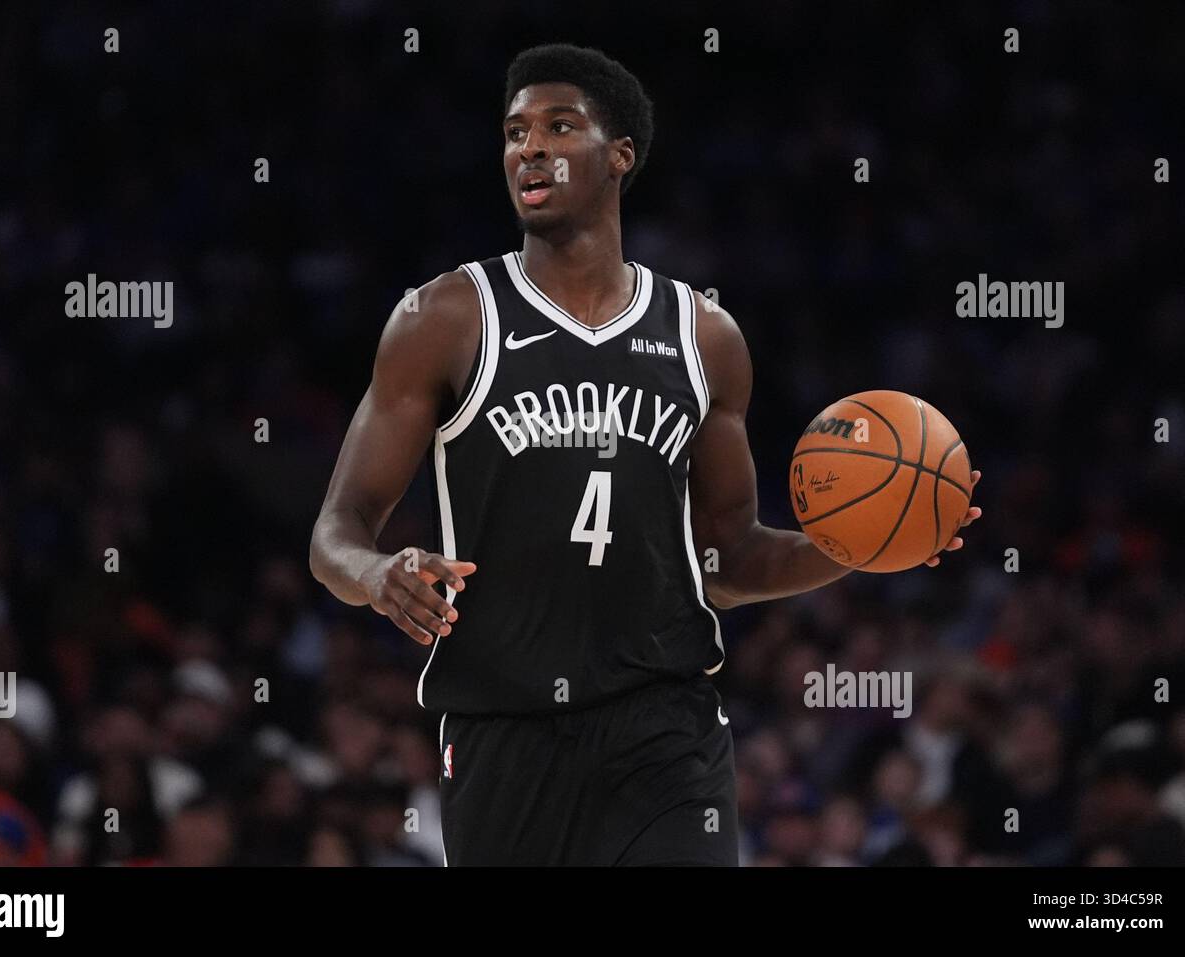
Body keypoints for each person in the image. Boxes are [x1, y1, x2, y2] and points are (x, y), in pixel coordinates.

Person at [310, 43, 981, 865]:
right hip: (501, 729)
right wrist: (376, 575)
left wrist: (862, 544)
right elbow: (336, 529)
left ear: (620, 154)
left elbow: (728, 561)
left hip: (665, 727)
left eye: (561, 126)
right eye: (516, 131)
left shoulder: (705, 337)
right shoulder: (445, 319)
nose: (531, 148)